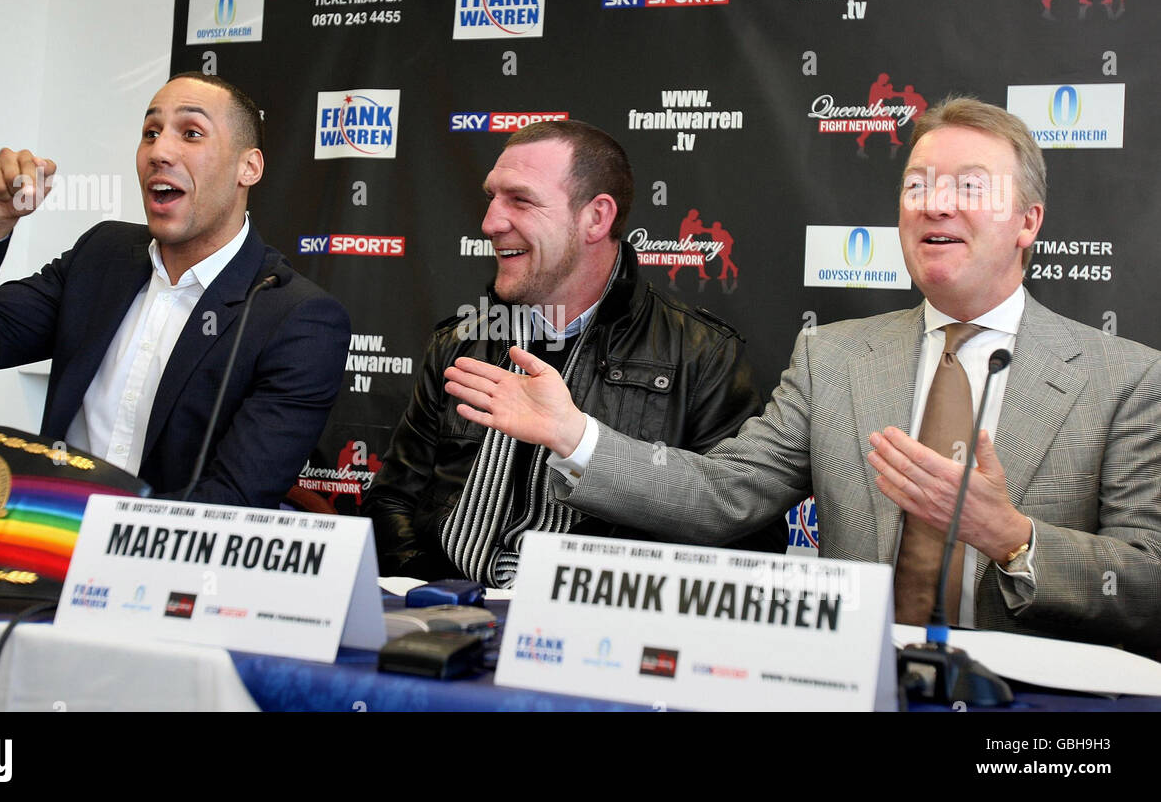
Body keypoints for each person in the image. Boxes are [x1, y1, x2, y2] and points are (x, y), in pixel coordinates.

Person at [444, 98, 1161, 653]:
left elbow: (1148, 587)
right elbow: (722, 494)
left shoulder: (1125, 379)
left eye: (968, 186)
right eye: (918, 186)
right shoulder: (836, 357)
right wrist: (578, 437)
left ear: (1028, 220)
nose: (936, 203)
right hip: (856, 685)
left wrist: (1013, 538)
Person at [363, 120, 785, 587]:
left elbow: (747, 539)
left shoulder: (701, 354)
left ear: (596, 218)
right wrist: (437, 600)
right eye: (491, 197)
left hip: (598, 635)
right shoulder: (459, 341)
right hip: (451, 611)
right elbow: (393, 500)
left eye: (520, 199)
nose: (489, 222)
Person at [0, 72, 351, 508]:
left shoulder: (297, 318)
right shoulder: (102, 256)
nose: (159, 151)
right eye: (150, 133)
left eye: (192, 133)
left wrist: (87, 535)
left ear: (248, 167)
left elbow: (232, 499)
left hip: (173, 568)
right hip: (46, 550)